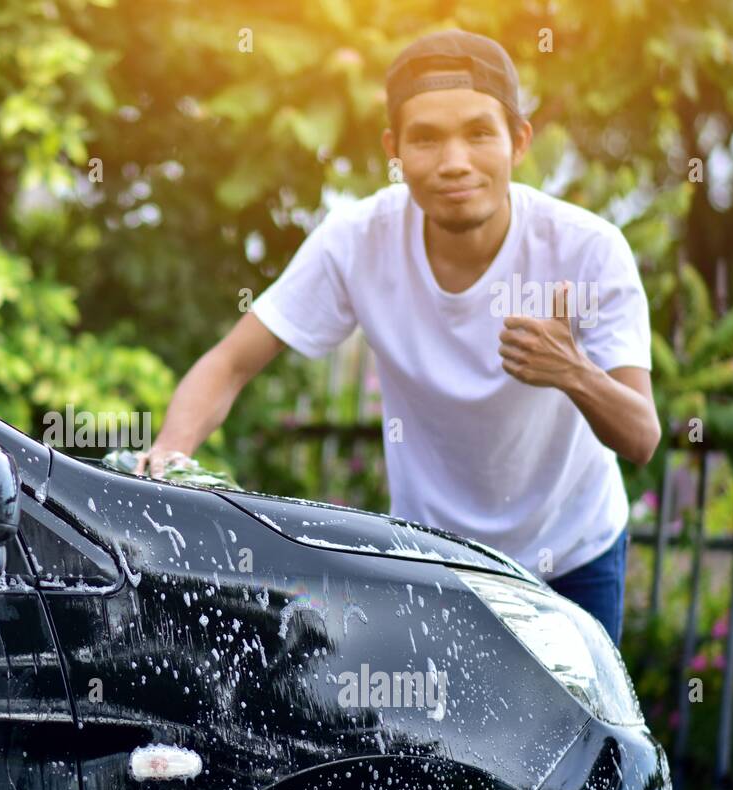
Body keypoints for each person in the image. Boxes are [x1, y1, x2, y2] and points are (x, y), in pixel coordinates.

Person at [135, 29, 659, 646]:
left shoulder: (587, 248)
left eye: (478, 133)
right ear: (395, 149)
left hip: (571, 556)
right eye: (426, 138)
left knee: (579, 740)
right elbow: (229, 363)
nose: (454, 161)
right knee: (441, 742)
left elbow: (642, 436)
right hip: (434, 562)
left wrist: (572, 371)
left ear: (519, 141)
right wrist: (166, 458)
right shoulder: (359, 240)